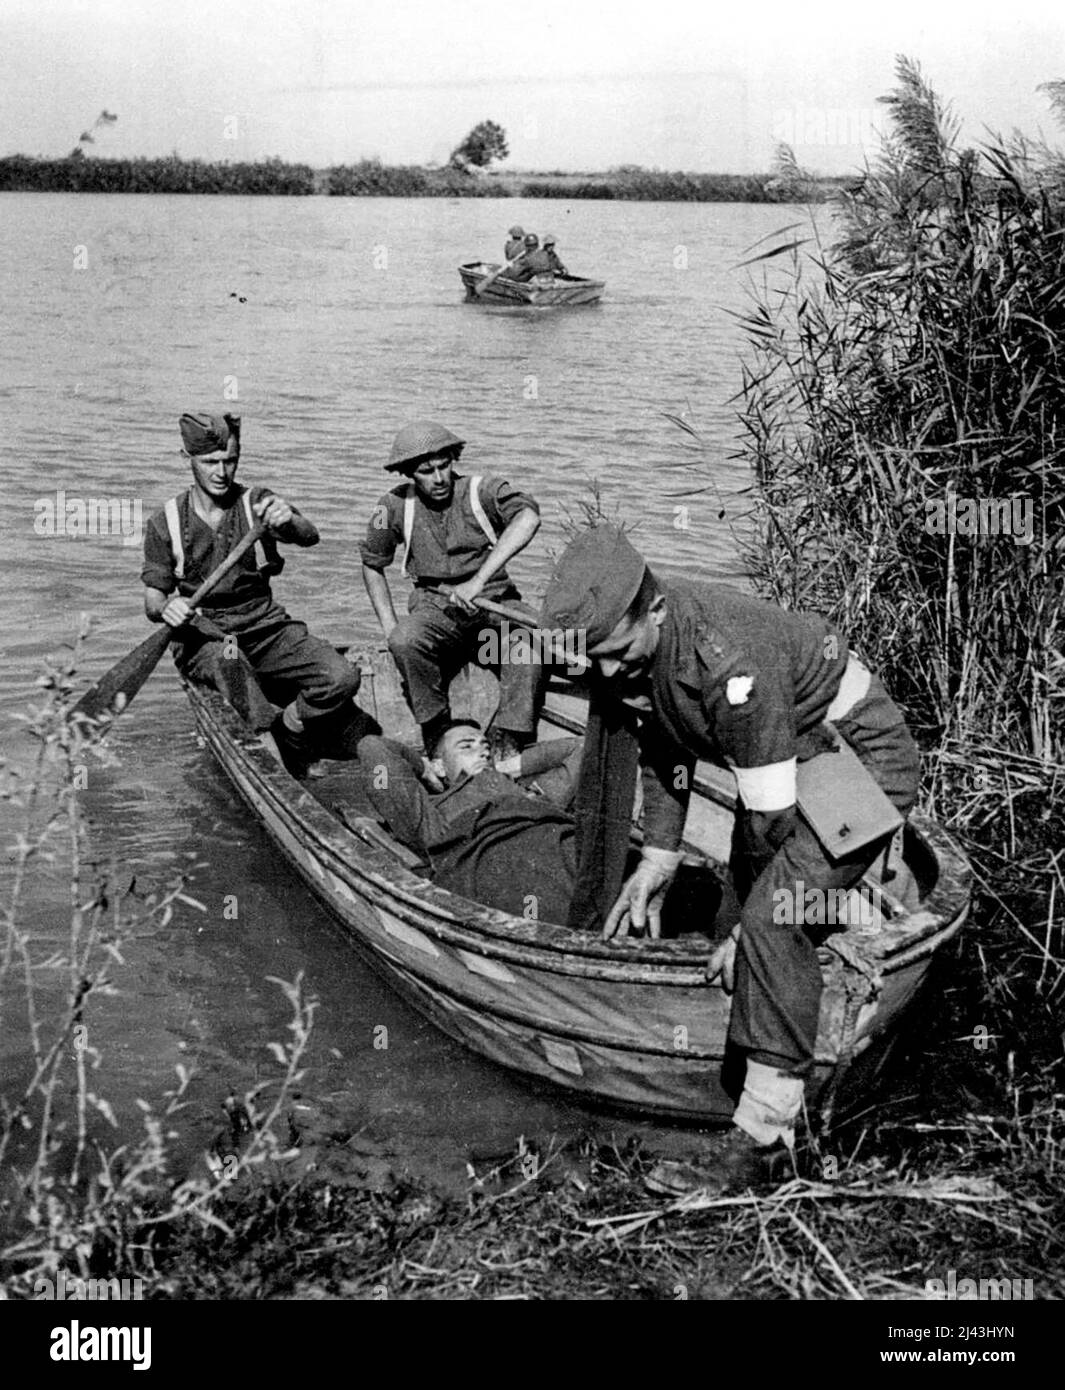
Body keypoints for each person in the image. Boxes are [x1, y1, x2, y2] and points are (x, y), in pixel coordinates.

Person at [540, 524, 921, 1195]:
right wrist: (658, 860)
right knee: (763, 905)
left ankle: (765, 1141)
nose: (602, 671)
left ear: (652, 608)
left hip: (855, 765)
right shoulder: (651, 646)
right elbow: (666, 748)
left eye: (611, 650)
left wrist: (743, 926)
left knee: (777, 918)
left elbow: (767, 823)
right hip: (795, 753)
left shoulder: (729, 665)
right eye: (590, 657)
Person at [142, 411, 367, 775]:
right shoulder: (164, 521)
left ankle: (287, 728)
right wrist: (169, 608)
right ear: (187, 459)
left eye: (230, 461)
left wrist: (288, 519)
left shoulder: (255, 502)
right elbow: (153, 601)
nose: (221, 472)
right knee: (229, 661)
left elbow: (308, 536)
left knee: (341, 677)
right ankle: (268, 741)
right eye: (210, 462)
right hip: (205, 634)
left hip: (265, 625)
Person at [360, 420, 545, 758]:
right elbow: (372, 563)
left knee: (531, 646)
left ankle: (510, 741)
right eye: (426, 471)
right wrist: (390, 628)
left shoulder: (482, 490)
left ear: (453, 459)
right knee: (405, 641)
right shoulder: (389, 507)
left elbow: (528, 517)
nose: (439, 478)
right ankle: (436, 735)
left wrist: (478, 582)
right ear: (407, 473)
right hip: (437, 613)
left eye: (444, 465)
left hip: (493, 610)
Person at [357, 722, 583, 923]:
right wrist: (425, 768)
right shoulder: (434, 816)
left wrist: (507, 768)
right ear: (440, 765)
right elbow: (372, 748)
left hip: (570, 848)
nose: (484, 753)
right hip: (514, 879)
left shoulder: (532, 795)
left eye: (487, 749)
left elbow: (580, 748)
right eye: (467, 746)